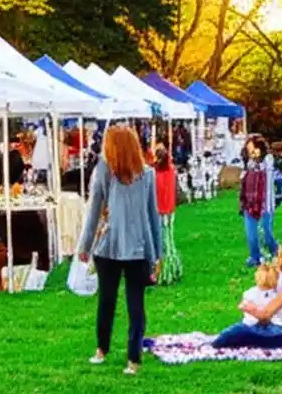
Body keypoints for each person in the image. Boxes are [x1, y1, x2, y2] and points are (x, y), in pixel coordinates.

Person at [77, 126, 162, 376]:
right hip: (131, 247)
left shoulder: (142, 174)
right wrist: (157, 252)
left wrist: (84, 245)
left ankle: (108, 352)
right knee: (127, 304)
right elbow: (152, 216)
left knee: (113, 302)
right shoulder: (118, 171)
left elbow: (95, 209)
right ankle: (127, 358)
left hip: (119, 246)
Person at [214, 243, 282, 349]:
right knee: (252, 329)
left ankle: (215, 344)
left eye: (279, 256)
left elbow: (265, 315)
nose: (276, 259)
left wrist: (247, 307)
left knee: (236, 332)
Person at [239, 138, 279, 266]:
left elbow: (266, 167)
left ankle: (277, 254)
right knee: (251, 236)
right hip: (250, 205)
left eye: (253, 149)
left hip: (265, 206)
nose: (251, 152)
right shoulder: (248, 164)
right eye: (248, 149)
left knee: (267, 235)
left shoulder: (268, 161)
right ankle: (255, 257)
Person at [154, 147, 182, 285]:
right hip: (170, 210)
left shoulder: (156, 175)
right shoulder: (172, 171)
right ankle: (175, 268)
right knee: (169, 240)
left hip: (160, 210)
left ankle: (165, 273)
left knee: (162, 243)